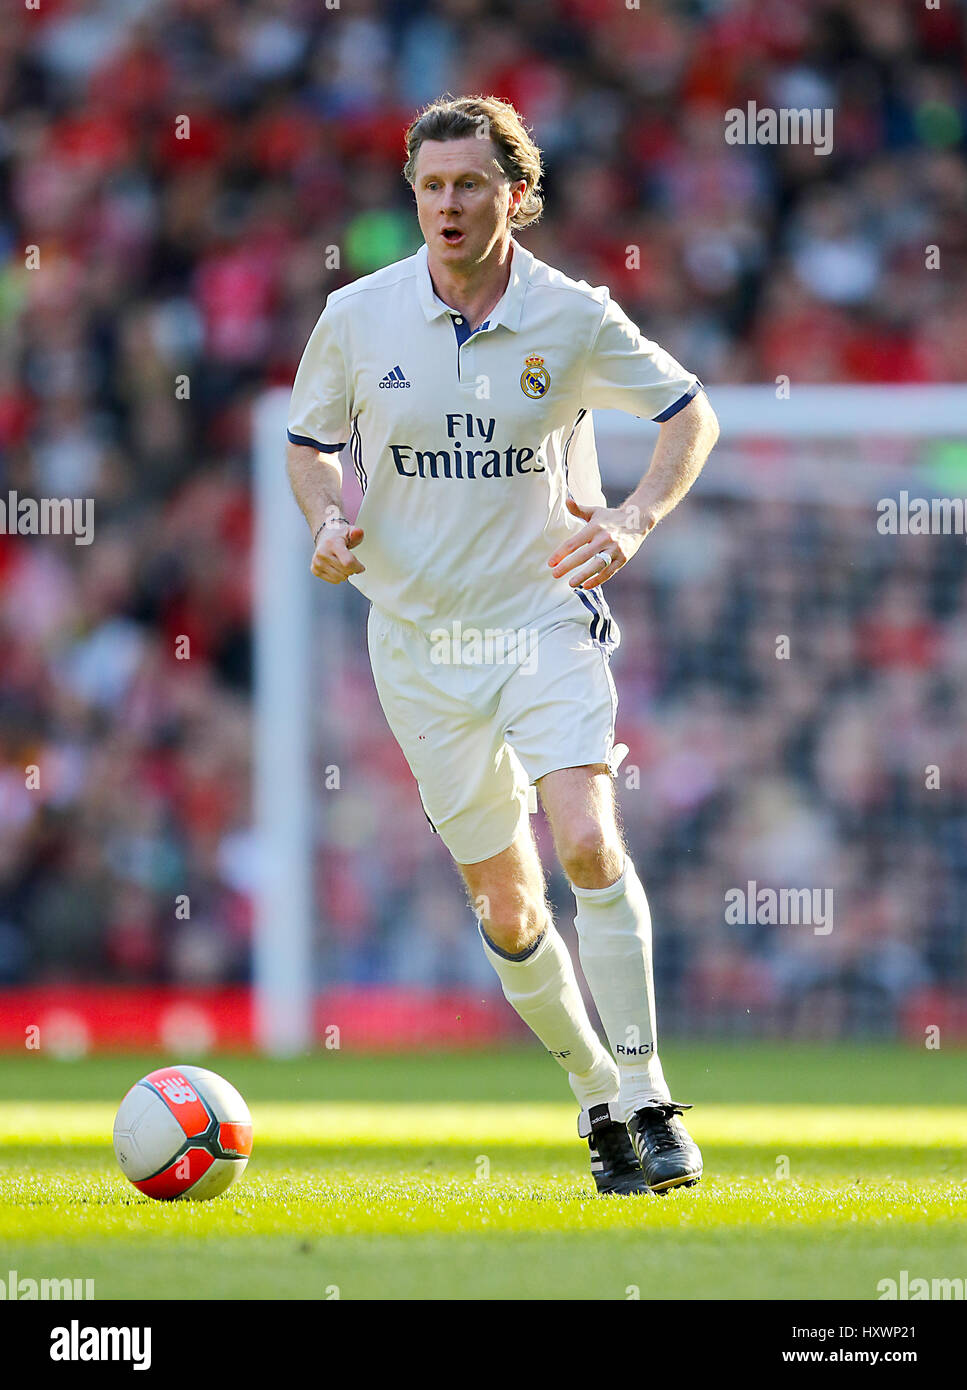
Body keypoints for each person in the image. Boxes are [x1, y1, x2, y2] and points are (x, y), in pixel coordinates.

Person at [286, 95, 719, 1195]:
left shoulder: (571, 316)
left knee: (586, 839)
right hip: (419, 644)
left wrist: (632, 517)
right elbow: (310, 444)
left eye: (469, 184)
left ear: (514, 196)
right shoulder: (357, 316)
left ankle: (650, 1094)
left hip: (540, 620)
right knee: (510, 907)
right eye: (430, 186)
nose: (448, 204)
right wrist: (326, 520)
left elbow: (689, 414)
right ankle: (595, 1096)